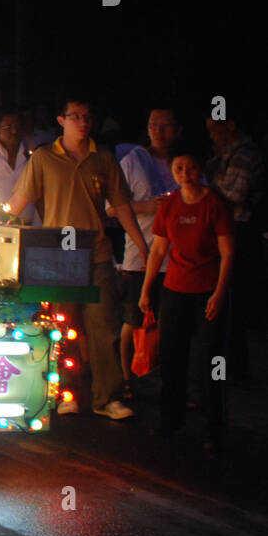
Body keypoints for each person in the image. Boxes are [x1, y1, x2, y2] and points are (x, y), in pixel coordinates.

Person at [6, 97, 148, 421]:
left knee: (105, 326)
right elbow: (19, 201)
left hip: (96, 252)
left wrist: (140, 242)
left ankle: (108, 397)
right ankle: (67, 393)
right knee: (63, 326)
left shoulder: (104, 159)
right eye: (75, 117)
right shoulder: (43, 158)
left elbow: (122, 205)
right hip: (59, 255)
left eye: (87, 116)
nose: (83, 122)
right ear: (61, 120)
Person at [139, 148, 234, 451]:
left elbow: (227, 253)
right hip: (175, 289)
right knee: (171, 358)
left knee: (210, 360)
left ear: (200, 169)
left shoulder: (215, 204)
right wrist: (146, 288)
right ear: (173, 171)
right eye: (179, 168)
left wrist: (219, 292)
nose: (185, 174)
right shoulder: (169, 205)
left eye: (190, 168)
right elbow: (158, 250)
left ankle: (213, 427)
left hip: (206, 291)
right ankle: (170, 420)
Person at [115, 108, 180, 398]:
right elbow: (111, 207)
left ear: (177, 130)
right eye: (153, 124)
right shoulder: (134, 161)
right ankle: (126, 378)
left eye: (164, 125)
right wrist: (146, 208)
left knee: (170, 323)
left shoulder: (184, 165)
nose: (158, 130)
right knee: (133, 319)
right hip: (139, 254)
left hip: (177, 258)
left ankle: (168, 381)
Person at [205, 105, 264, 382]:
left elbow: (234, 194)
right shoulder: (224, 155)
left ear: (230, 126)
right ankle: (227, 363)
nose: (212, 135)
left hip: (240, 230)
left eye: (216, 129)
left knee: (233, 298)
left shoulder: (243, 156)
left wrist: (208, 188)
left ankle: (234, 366)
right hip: (229, 229)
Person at [0, 112, 38, 224]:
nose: (14, 131)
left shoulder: (31, 159)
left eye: (17, 127)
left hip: (29, 226)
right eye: (8, 127)